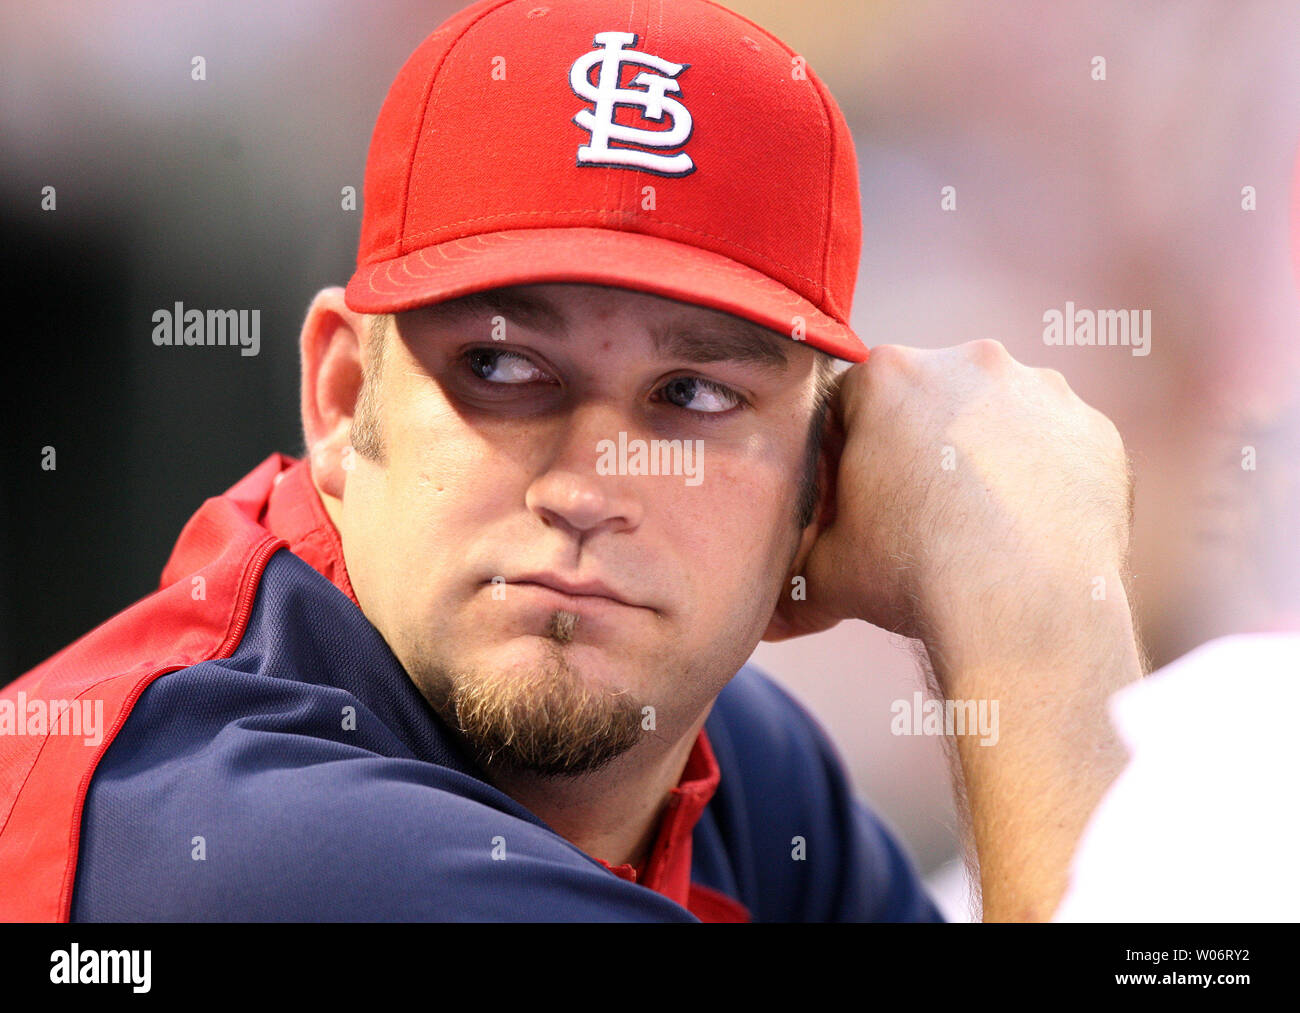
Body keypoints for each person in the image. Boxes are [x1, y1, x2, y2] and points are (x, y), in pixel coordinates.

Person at [0, 0, 1143, 922]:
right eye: (502, 367)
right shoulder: (248, 834)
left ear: (820, 479)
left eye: (692, 393)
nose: (588, 490)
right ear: (344, 399)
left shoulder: (728, 762)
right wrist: (1030, 597)